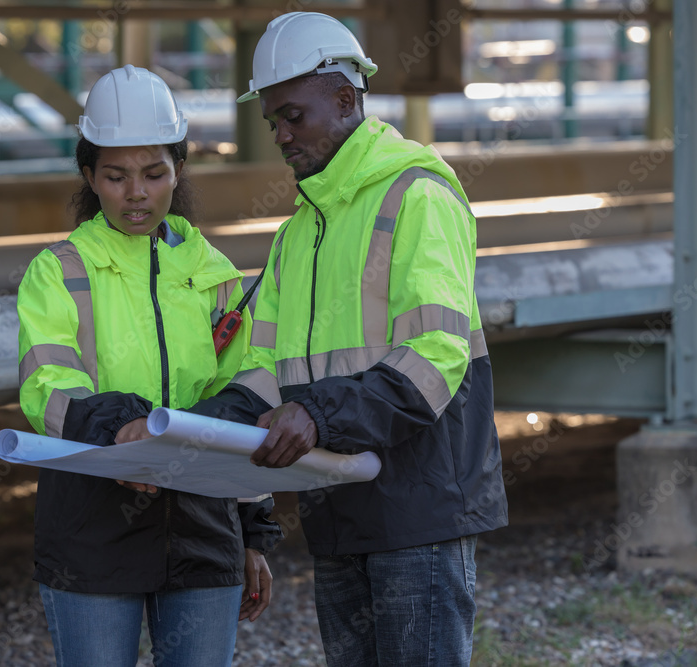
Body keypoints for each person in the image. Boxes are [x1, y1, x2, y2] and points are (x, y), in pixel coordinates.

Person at [190, 12, 508, 667]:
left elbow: (434, 356)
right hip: (338, 510)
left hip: (418, 509)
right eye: (271, 120)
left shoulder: (416, 195)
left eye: (292, 116)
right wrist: (188, 432)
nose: (279, 134)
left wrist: (316, 413)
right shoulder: (296, 234)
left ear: (344, 99)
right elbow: (263, 372)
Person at [16, 65, 281, 667]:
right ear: (89, 176)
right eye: (115, 175)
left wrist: (253, 531)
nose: (136, 193)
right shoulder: (60, 271)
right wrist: (123, 432)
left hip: (204, 529)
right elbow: (47, 389)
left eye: (154, 173)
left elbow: (247, 394)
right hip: (92, 529)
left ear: (179, 170)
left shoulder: (214, 274)